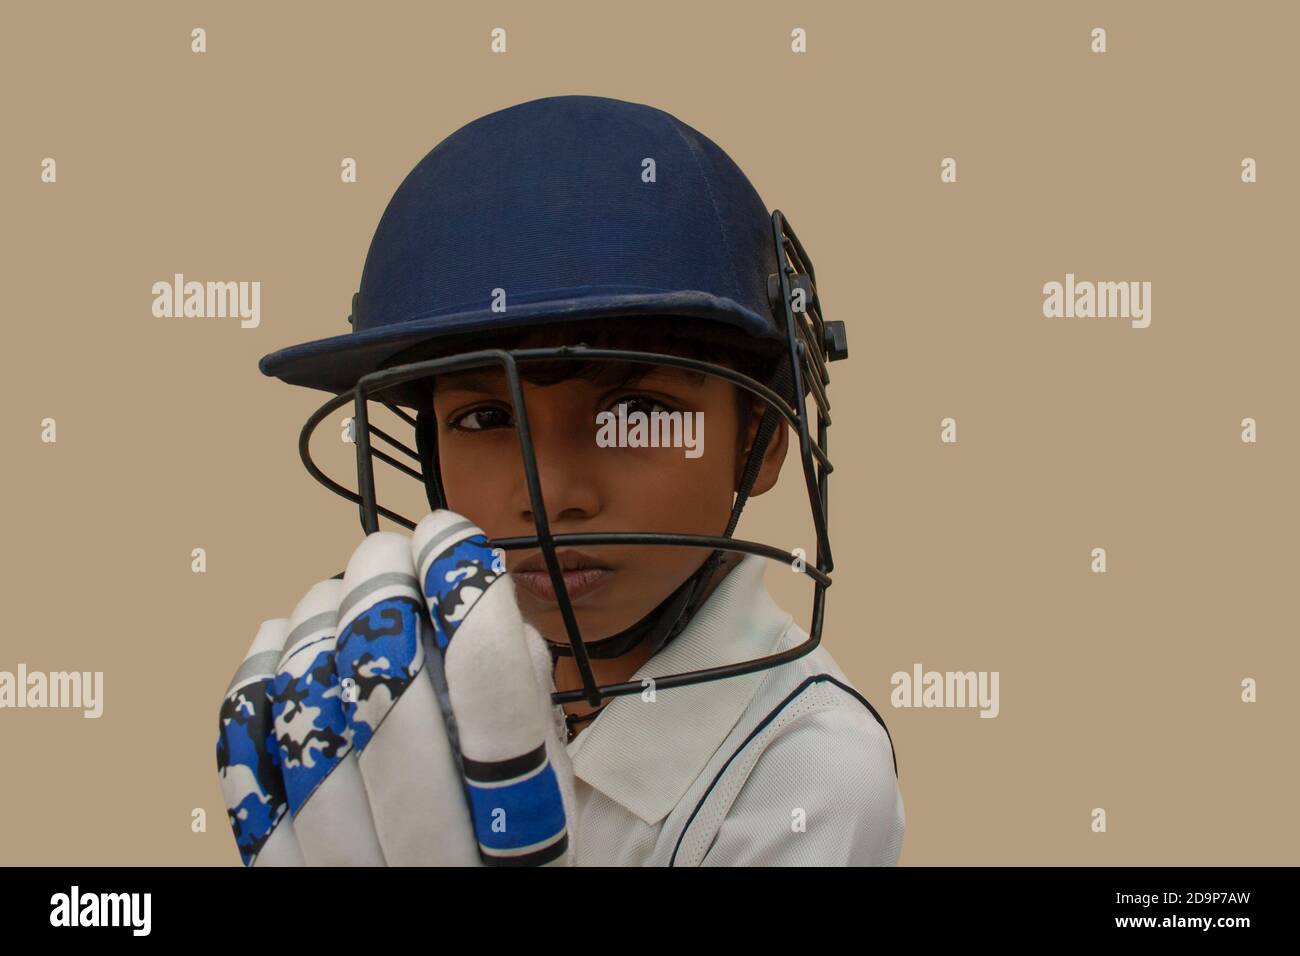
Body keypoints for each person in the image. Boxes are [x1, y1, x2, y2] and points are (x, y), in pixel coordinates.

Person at [217, 94, 904, 866]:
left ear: (762, 441)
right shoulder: (397, 701)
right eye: (483, 420)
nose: (547, 495)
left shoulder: (809, 772)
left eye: (637, 410)